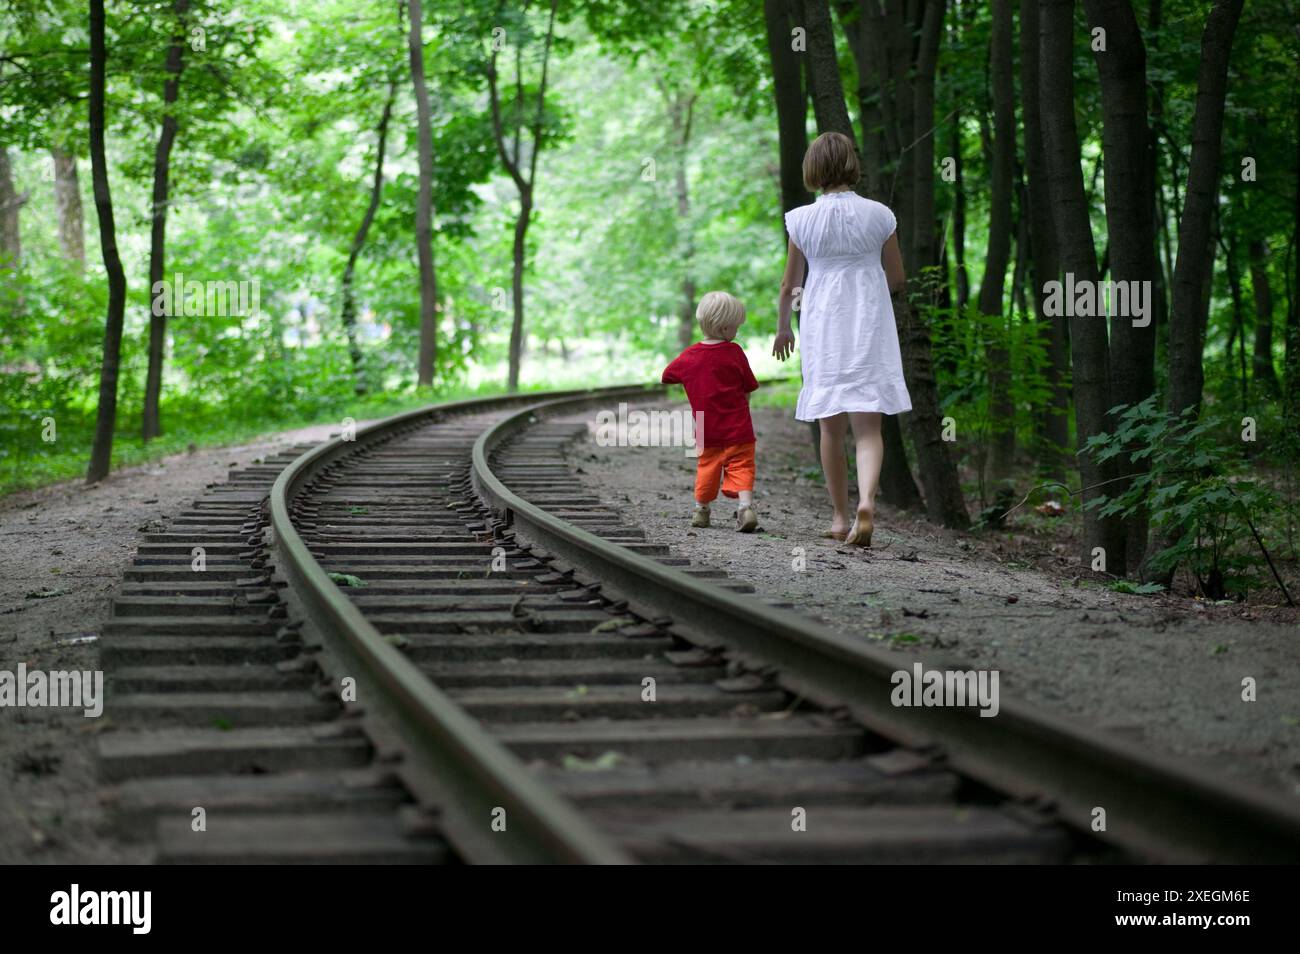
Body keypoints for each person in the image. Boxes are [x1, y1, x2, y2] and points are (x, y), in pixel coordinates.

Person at [772, 131, 911, 547]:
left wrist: (784, 327)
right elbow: (899, 278)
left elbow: (789, 285)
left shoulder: (801, 219)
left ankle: (838, 516)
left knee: (830, 428)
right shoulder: (880, 215)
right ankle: (867, 503)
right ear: (851, 163)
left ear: (812, 169)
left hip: (823, 326)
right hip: (870, 325)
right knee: (869, 427)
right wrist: (868, 295)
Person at [662, 291, 760, 532]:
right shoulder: (734, 352)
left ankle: (701, 510)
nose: (736, 332)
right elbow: (748, 386)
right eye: (736, 327)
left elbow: (667, 376)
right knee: (742, 465)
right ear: (726, 328)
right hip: (738, 428)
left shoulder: (689, 356)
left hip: (707, 429)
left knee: (707, 468)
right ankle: (745, 507)